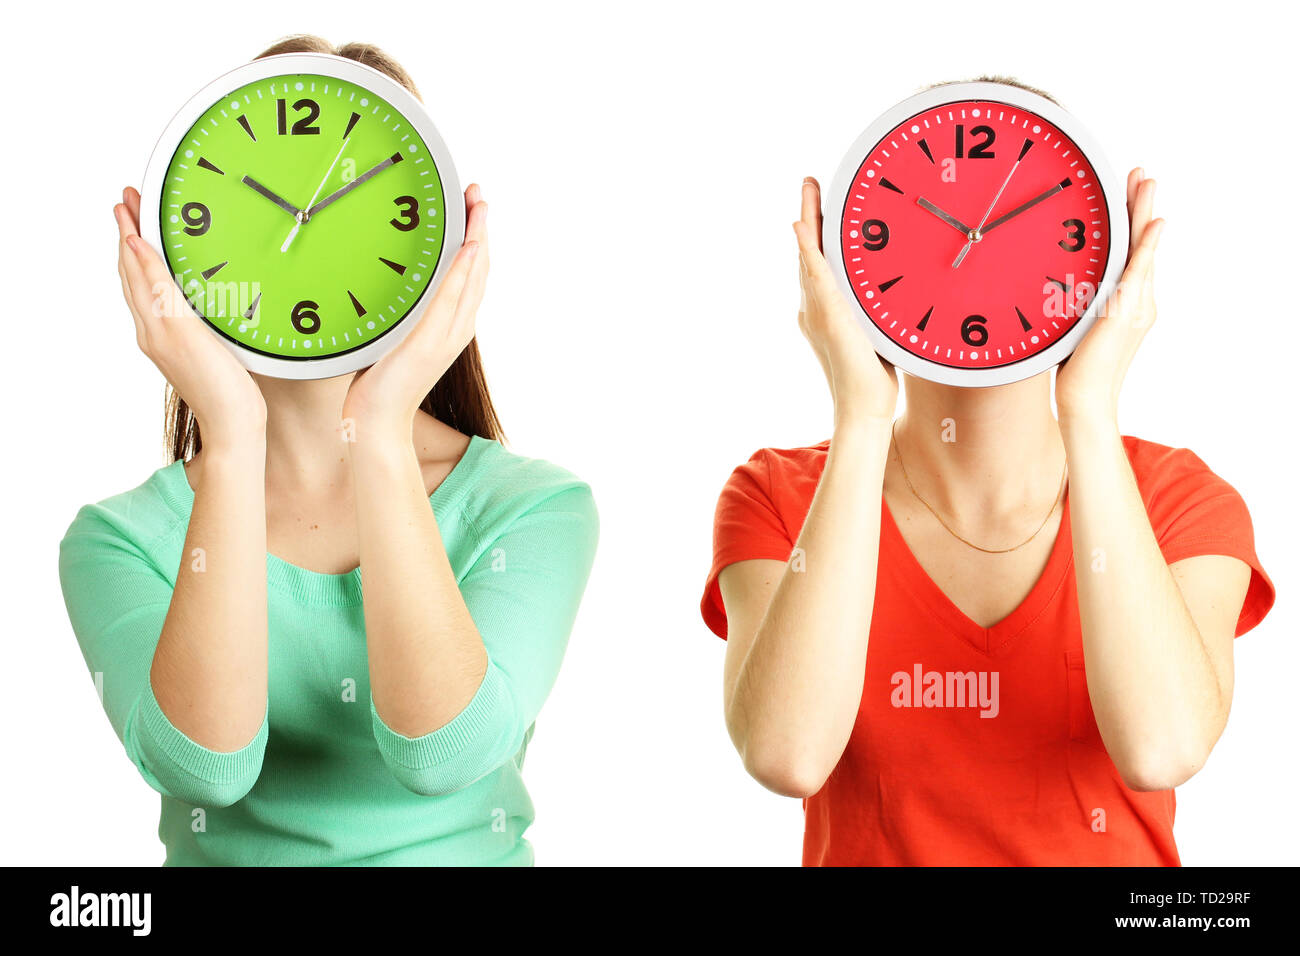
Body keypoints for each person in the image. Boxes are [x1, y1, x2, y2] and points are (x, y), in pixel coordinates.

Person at [700, 82, 1275, 866]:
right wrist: (861, 417)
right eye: (927, 216)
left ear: (1105, 258)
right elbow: (788, 756)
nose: (975, 239)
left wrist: (1091, 408)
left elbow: (1162, 749)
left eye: (1038, 222)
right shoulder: (777, 496)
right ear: (844, 258)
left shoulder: (1179, 500)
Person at [59, 36, 598, 866]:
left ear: (442, 247)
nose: (304, 229)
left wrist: (379, 428)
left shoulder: (533, 508)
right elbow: (207, 770)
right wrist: (232, 435)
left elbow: (445, 755)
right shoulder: (117, 540)